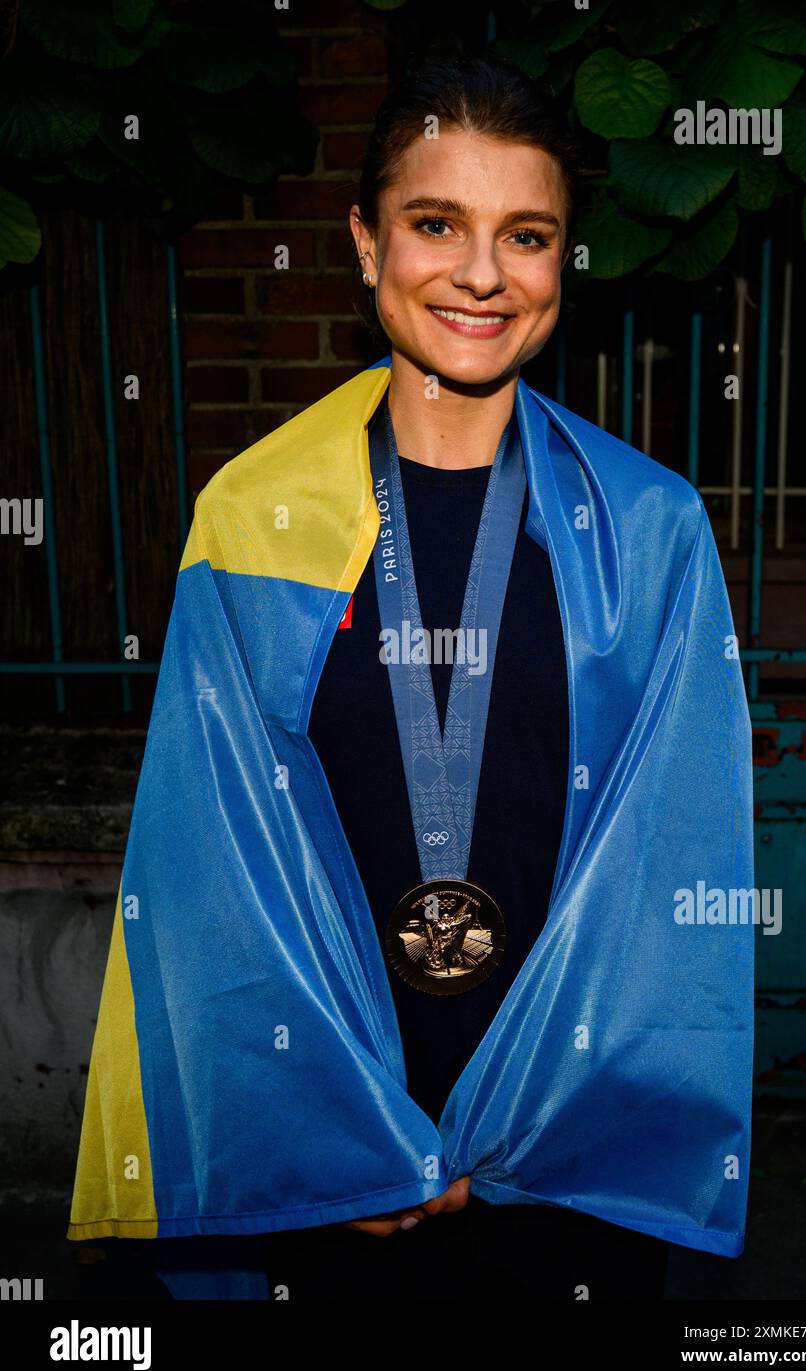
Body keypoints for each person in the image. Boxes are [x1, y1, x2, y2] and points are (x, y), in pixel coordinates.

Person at [67, 56, 754, 1302]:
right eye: (436, 223)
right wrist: (342, 1133)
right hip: (326, 1154)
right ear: (364, 243)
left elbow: (669, 880)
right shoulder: (255, 518)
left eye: (526, 235)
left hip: (562, 1152)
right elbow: (211, 872)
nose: (481, 274)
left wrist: (528, 1124)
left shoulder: (650, 531)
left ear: (562, 264)